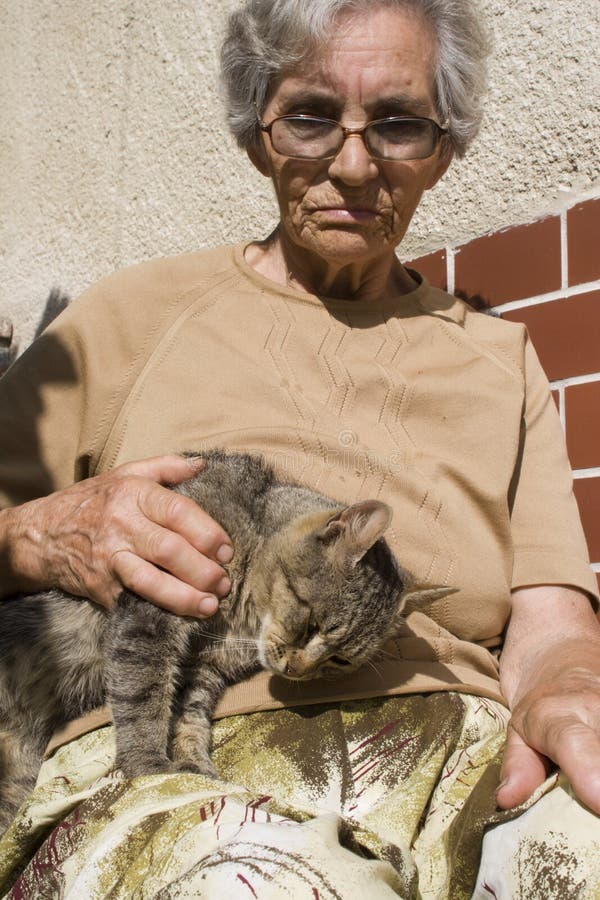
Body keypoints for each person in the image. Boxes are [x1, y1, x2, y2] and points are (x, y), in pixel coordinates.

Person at [1, 0, 599, 895]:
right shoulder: (130, 317)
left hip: (472, 772)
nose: (354, 166)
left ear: (443, 152)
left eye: (398, 124)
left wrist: (566, 687)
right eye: (312, 118)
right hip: (182, 769)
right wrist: (40, 534)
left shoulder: (501, 358)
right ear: (258, 137)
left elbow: (552, 622)